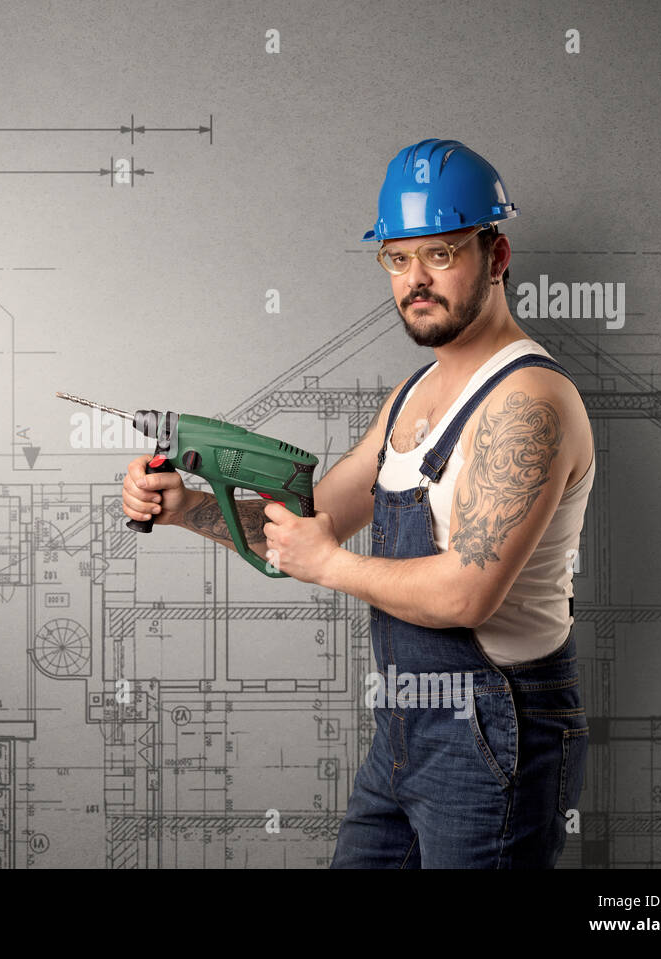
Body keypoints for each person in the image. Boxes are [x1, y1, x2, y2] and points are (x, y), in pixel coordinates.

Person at [119, 138, 593, 868]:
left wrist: (328, 565)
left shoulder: (530, 401)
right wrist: (187, 506)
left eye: (440, 254)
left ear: (495, 256)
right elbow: (314, 523)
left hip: (496, 733)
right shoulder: (411, 396)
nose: (415, 280)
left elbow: (466, 591)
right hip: (405, 731)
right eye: (397, 259)